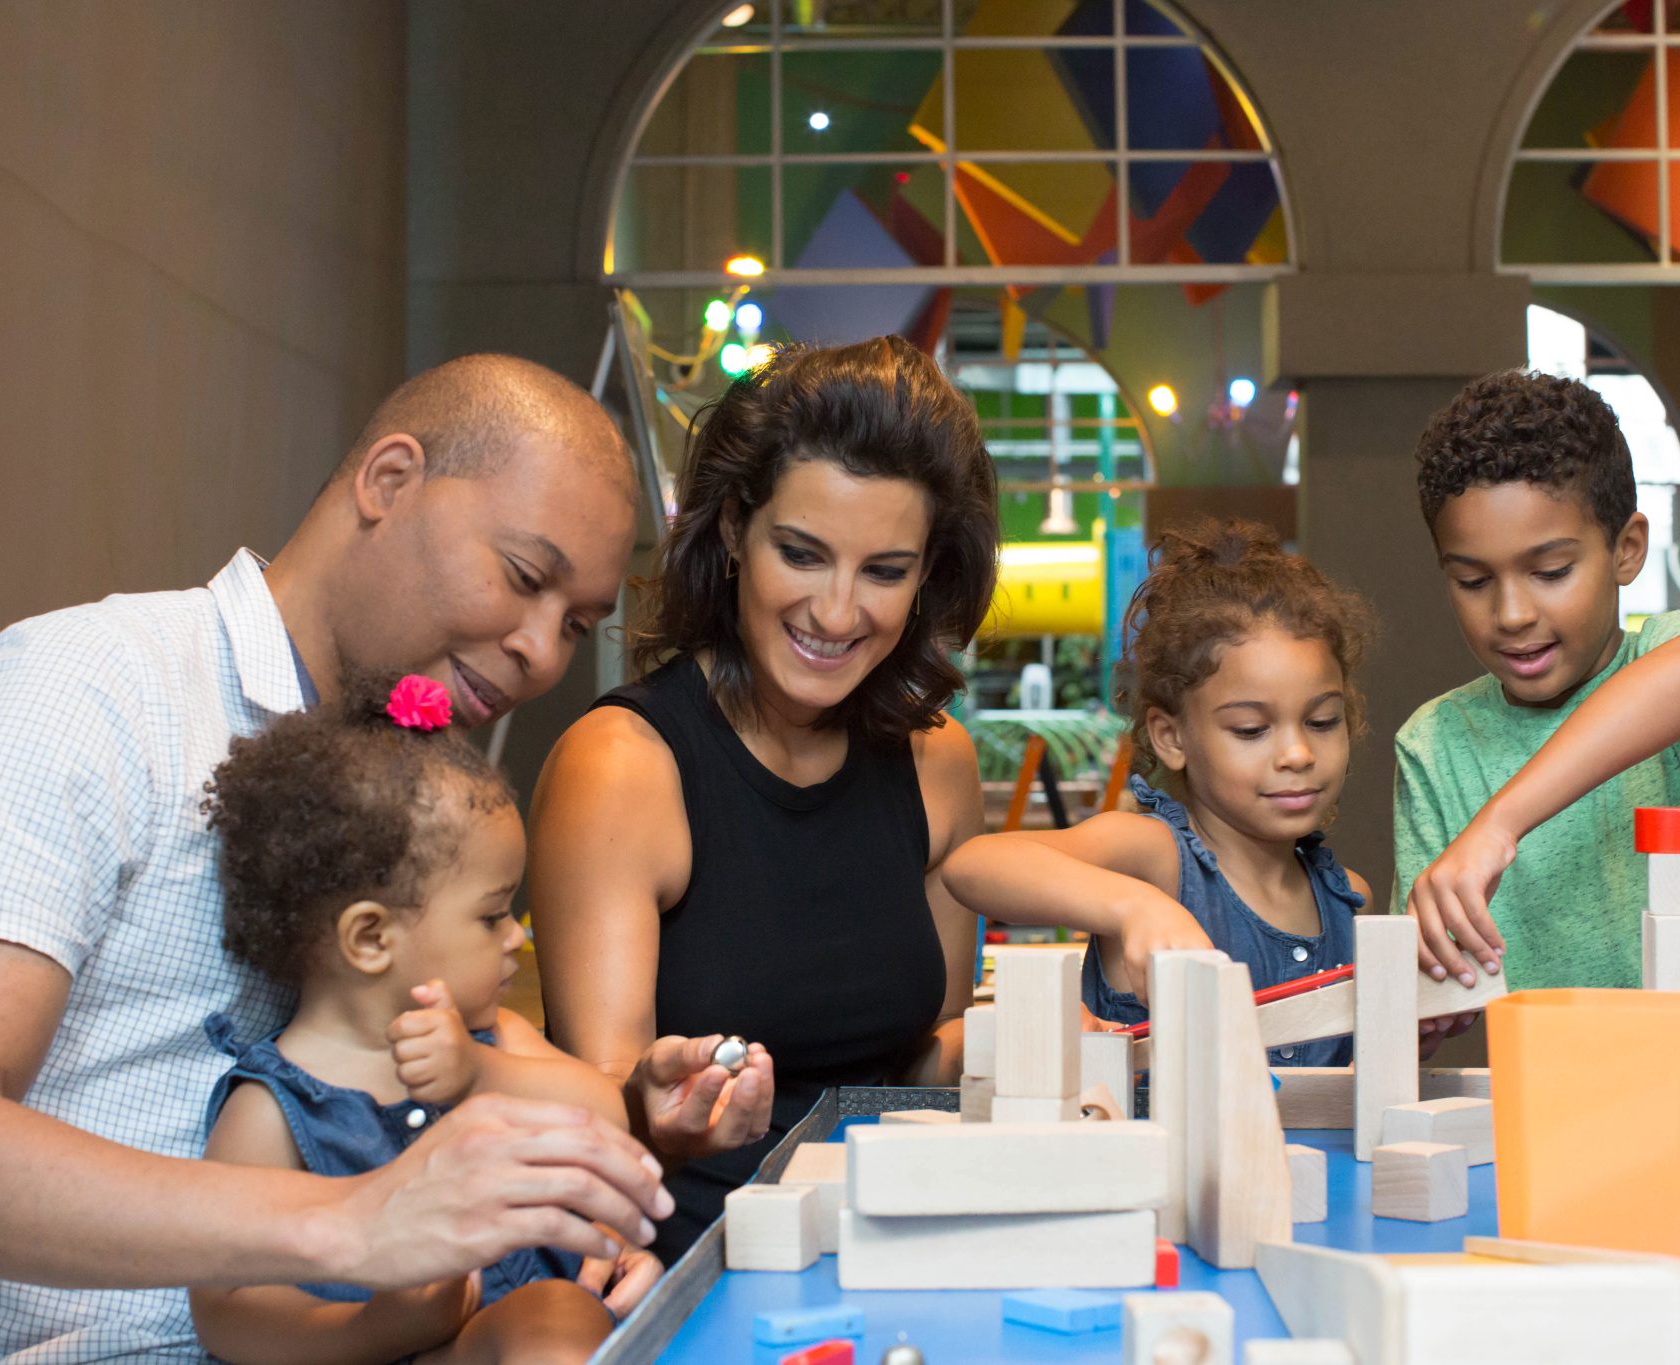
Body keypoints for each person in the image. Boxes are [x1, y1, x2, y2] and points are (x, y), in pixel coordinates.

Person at [0, 354, 757, 1360]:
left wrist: (566, 1205)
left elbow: (456, 1080)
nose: (543, 654)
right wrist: (358, 1222)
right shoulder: (92, 690)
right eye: (525, 578)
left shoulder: (411, 781)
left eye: (575, 626)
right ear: (387, 482)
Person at [527, 336, 998, 1260]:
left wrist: (1034, 1032)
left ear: (928, 573)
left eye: (884, 571)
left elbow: (917, 1057)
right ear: (737, 530)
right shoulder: (623, 766)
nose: (835, 611)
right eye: (802, 552)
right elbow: (605, 1100)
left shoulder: (937, 761)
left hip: (895, 1246)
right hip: (682, 1264)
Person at [191, 673, 653, 1364]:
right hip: (374, 1353)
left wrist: (478, 1074)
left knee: (555, 1313)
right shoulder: (271, 1109)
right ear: (371, 938)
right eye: (492, 914)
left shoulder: (492, 1037)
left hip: (523, 1334)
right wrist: (374, 1330)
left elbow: (606, 1115)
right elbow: (226, 1310)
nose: (515, 938)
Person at [1394, 370, 1680, 993]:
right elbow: (1430, 982)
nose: (1512, 613)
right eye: (1472, 581)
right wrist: (1426, 991)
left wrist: (1497, 824)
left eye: (1550, 571)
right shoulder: (1435, 743)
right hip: (1558, 1082)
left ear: (1627, 549)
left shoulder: (1673, 650)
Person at [945, 520, 1374, 1065]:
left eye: (1321, 721)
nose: (1297, 754)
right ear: (1171, 737)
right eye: (1250, 729)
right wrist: (1135, 907)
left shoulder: (1347, 901)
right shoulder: (1152, 862)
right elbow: (975, 866)